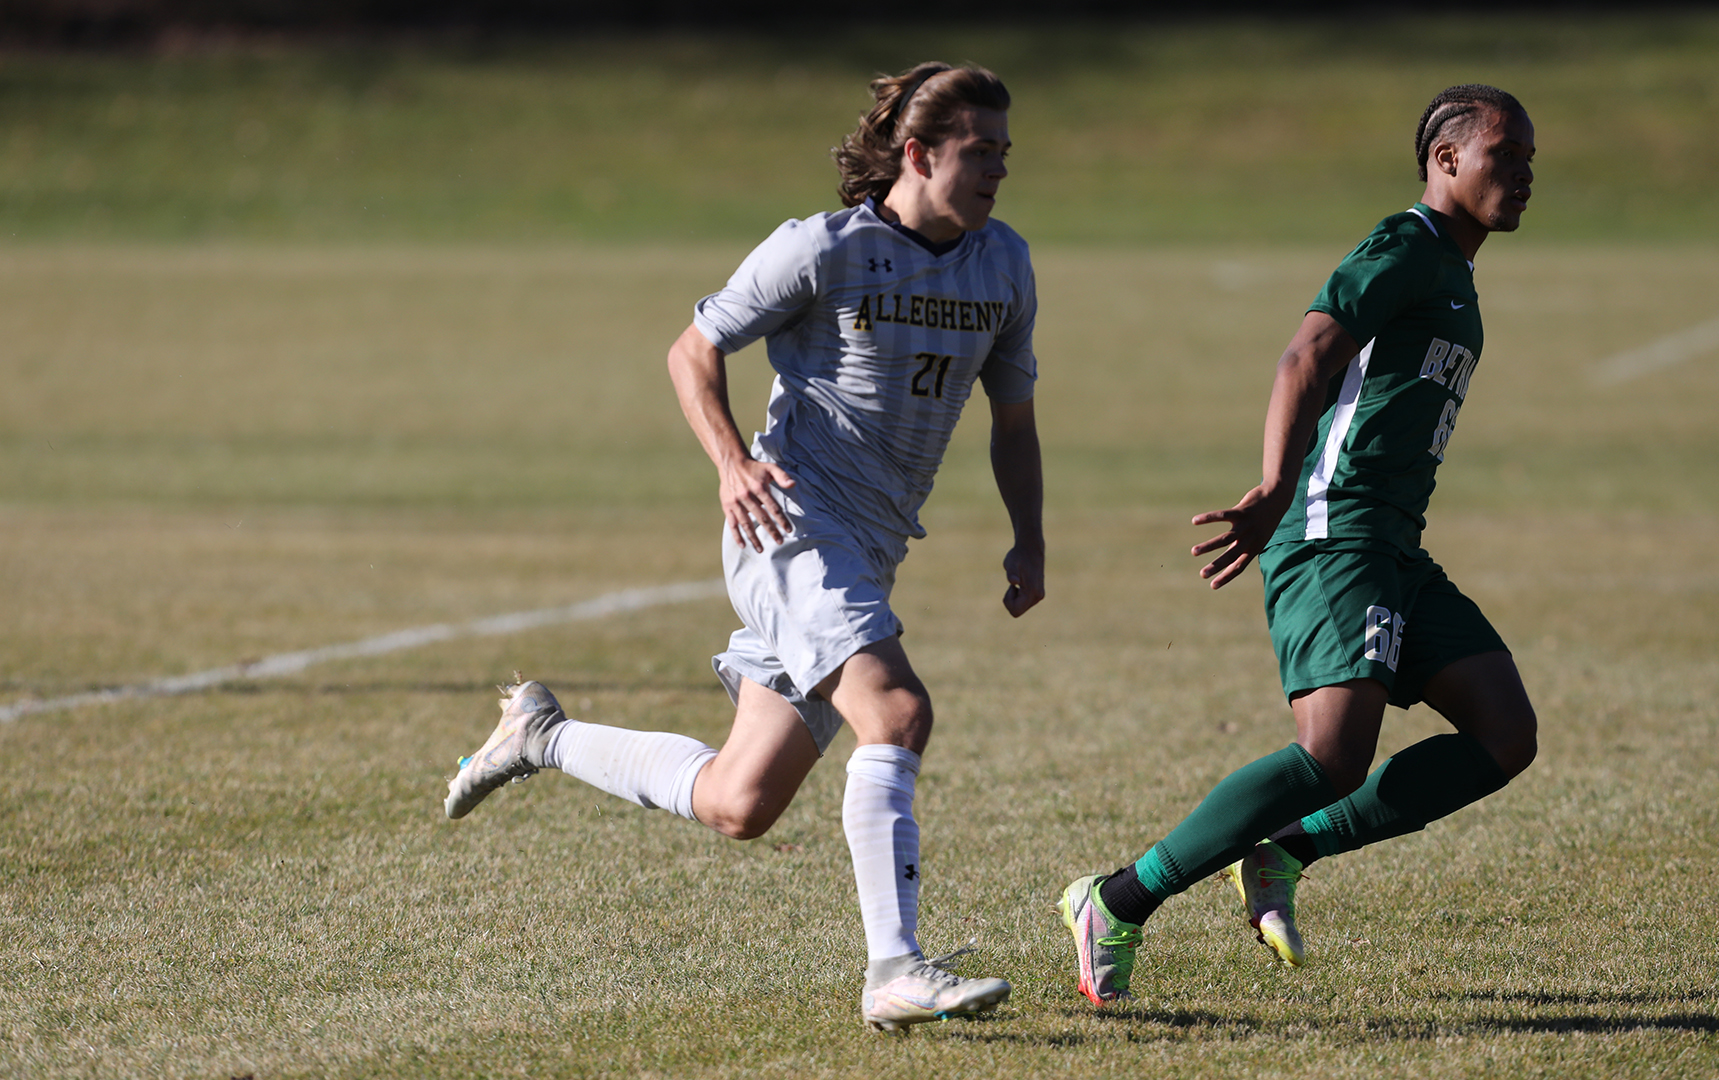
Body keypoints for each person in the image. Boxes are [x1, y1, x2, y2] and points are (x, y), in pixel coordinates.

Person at [443, 61, 1045, 1033]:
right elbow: (692, 351)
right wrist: (731, 463)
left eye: (1005, 156)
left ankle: (540, 736)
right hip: (790, 529)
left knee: (740, 799)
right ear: (919, 153)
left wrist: (1031, 541)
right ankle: (894, 968)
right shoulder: (823, 248)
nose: (997, 172)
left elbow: (1012, 421)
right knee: (895, 711)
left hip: (870, 547)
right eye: (980, 153)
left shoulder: (1004, 262)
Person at [1060, 84, 1539, 1004]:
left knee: (1503, 732)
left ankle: (1284, 854)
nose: (1521, 176)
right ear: (1445, 161)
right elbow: (1306, 354)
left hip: (1396, 545)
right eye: (1502, 156)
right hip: (1335, 529)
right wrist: (1277, 488)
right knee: (1331, 753)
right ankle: (1114, 900)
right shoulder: (1404, 247)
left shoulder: (1455, 275)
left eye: (1528, 162)